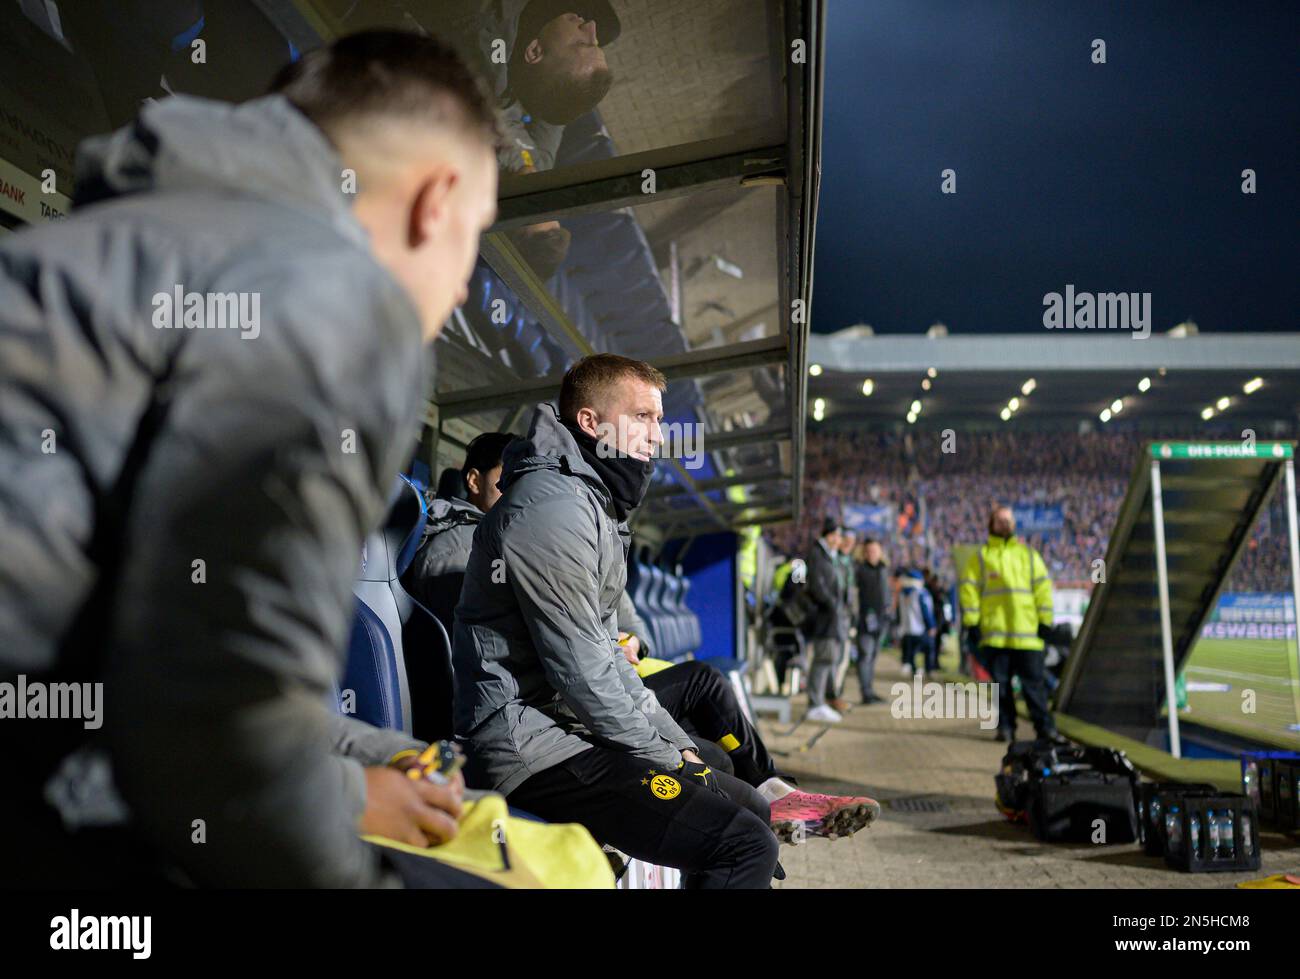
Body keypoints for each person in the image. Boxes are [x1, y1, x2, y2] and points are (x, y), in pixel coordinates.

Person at [0, 30, 499, 887]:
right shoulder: (339, 300)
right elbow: (223, 743)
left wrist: (366, 760)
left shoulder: (132, 253)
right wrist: (345, 808)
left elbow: (160, 667)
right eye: (476, 240)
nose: (460, 290)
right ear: (437, 200)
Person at [452, 354, 780, 887]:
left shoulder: (590, 503)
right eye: (644, 417)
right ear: (590, 423)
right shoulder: (552, 510)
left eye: (660, 419)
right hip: (526, 748)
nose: (657, 434)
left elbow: (610, 658)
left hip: (566, 731)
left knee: (739, 797)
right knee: (742, 842)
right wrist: (669, 759)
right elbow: (580, 672)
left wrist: (677, 748)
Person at [616, 592, 879, 842]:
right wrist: (612, 649)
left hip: (632, 684)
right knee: (703, 682)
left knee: (718, 753)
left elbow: (636, 625)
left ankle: (770, 803)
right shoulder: (582, 555)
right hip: (611, 695)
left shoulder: (612, 552)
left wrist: (634, 640)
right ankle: (771, 798)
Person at [960, 506, 1064, 743]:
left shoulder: (1028, 555)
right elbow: (969, 591)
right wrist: (972, 623)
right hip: (995, 636)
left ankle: (1045, 729)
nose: (1004, 524)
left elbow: (1043, 589)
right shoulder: (981, 557)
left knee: (1034, 688)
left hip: (1028, 635)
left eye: (1008, 520)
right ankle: (1005, 728)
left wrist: (1045, 621)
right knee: (1001, 688)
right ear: (991, 525)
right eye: (999, 520)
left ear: (1014, 525)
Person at [404, 432, 517, 632]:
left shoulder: (491, 540)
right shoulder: (462, 549)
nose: (517, 491)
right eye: (507, 478)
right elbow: (463, 639)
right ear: (474, 481)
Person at [805, 518, 849, 723]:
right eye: (838, 536)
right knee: (823, 660)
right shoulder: (817, 554)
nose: (839, 540)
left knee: (828, 659)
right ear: (829, 535)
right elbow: (817, 586)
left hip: (831, 618)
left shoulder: (828, 556)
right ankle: (815, 704)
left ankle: (820, 701)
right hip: (824, 618)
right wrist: (832, 605)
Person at [854, 538, 889, 704]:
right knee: (865, 656)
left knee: (873, 657)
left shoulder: (883, 570)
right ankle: (865, 692)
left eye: (874, 551)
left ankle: (870, 689)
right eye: (868, 551)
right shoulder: (859, 570)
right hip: (864, 622)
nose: (872, 554)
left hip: (880, 622)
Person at [897, 569, 937, 676]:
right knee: (928, 649)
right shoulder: (921, 593)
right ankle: (929, 669)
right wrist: (931, 626)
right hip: (920, 628)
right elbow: (926, 611)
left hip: (907, 629)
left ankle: (914, 669)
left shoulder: (902, 594)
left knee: (911, 652)